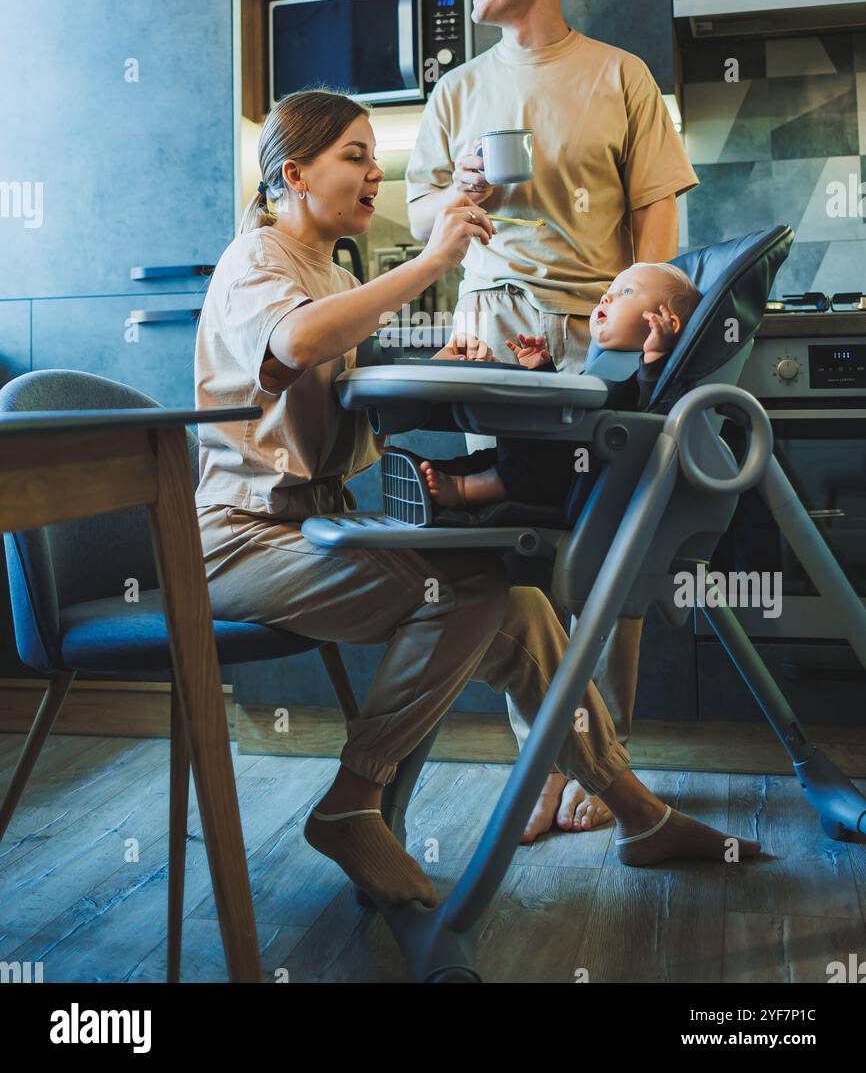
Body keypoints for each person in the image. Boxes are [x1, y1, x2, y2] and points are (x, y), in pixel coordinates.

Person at [193, 88, 758, 909]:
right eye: (355, 156)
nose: (372, 175)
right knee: (466, 590)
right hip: (242, 539)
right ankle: (353, 801)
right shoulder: (259, 258)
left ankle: (637, 813)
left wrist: (430, 354)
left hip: (313, 522)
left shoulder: (327, 267)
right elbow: (297, 340)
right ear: (294, 173)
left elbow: (334, 380)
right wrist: (429, 267)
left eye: (370, 159)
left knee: (522, 607)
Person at [407, 0, 701, 837]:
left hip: (601, 335)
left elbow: (660, 222)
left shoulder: (621, 76)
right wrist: (457, 197)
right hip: (496, 337)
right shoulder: (456, 90)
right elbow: (424, 227)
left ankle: (612, 766)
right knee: (523, 553)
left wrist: (639, 337)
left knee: (618, 555)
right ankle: (547, 762)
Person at [420, 262, 701, 515]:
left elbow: (650, 411)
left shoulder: (654, 370)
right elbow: (574, 402)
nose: (607, 297)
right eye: (610, 290)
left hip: (575, 474)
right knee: (492, 457)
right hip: (558, 454)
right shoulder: (603, 364)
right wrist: (542, 368)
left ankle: (463, 490)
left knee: (526, 468)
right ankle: (442, 472)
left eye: (627, 292)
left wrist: (655, 358)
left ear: (666, 324)